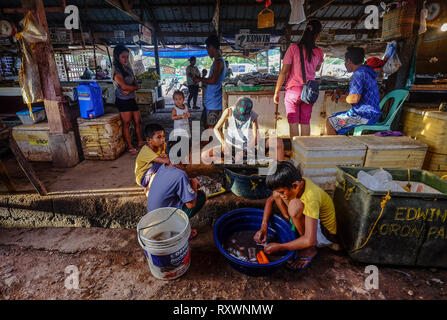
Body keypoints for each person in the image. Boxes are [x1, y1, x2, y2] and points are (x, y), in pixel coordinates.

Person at [254, 161, 337, 271]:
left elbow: (310, 240)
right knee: (276, 195)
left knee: (294, 205)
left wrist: (280, 246)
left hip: (324, 234)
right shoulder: (298, 184)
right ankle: (294, 226)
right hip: (312, 223)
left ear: (295, 186)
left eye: (282, 191)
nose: (282, 195)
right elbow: (270, 201)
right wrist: (264, 227)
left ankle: (309, 250)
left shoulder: (311, 197)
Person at [273, 20, 324, 138]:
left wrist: (276, 92)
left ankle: (295, 152)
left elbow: (284, 72)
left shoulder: (293, 48)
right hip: (309, 91)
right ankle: (304, 152)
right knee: (305, 123)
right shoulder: (319, 51)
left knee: (293, 124)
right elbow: (316, 68)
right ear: (317, 35)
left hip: (293, 91)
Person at [208, 96, 284, 162]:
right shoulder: (228, 111)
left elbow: (256, 138)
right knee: (206, 155)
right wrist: (224, 143)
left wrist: (245, 151)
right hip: (231, 145)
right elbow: (216, 129)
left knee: (278, 141)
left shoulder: (253, 115)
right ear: (235, 106)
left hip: (249, 146)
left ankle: (282, 169)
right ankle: (228, 163)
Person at [326, 46, 381, 135]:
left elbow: (354, 98)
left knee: (330, 122)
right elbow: (359, 94)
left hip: (363, 116)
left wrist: (338, 98)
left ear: (348, 61)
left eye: (345, 61)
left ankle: (334, 148)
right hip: (374, 114)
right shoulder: (367, 71)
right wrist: (345, 94)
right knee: (334, 118)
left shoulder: (357, 74)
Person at [146, 161, 206, 239]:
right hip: (165, 224)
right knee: (200, 196)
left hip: (153, 220)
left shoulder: (163, 167)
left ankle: (175, 229)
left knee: (184, 195)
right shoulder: (181, 175)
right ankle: (180, 231)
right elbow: (191, 205)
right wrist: (194, 184)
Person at [113, 44, 144, 154]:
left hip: (131, 98)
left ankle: (140, 142)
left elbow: (135, 84)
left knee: (138, 121)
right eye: (123, 57)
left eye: (127, 56)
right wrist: (132, 88)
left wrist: (132, 88)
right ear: (117, 57)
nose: (126, 59)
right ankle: (130, 146)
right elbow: (124, 87)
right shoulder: (117, 72)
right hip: (123, 100)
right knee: (126, 123)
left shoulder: (128, 69)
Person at [194, 34, 226, 130]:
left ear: (211, 47)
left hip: (214, 103)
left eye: (207, 49)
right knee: (206, 125)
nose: (207, 52)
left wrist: (200, 79)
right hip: (211, 102)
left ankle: (211, 144)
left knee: (211, 129)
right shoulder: (217, 61)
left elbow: (213, 80)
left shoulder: (218, 62)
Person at [135, 124, 169, 196]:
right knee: (162, 166)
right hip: (143, 177)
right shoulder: (146, 151)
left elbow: (166, 158)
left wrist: (166, 155)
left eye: (163, 136)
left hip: (153, 171)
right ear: (148, 140)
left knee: (164, 167)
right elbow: (166, 161)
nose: (163, 139)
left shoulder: (162, 145)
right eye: (159, 137)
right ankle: (148, 188)